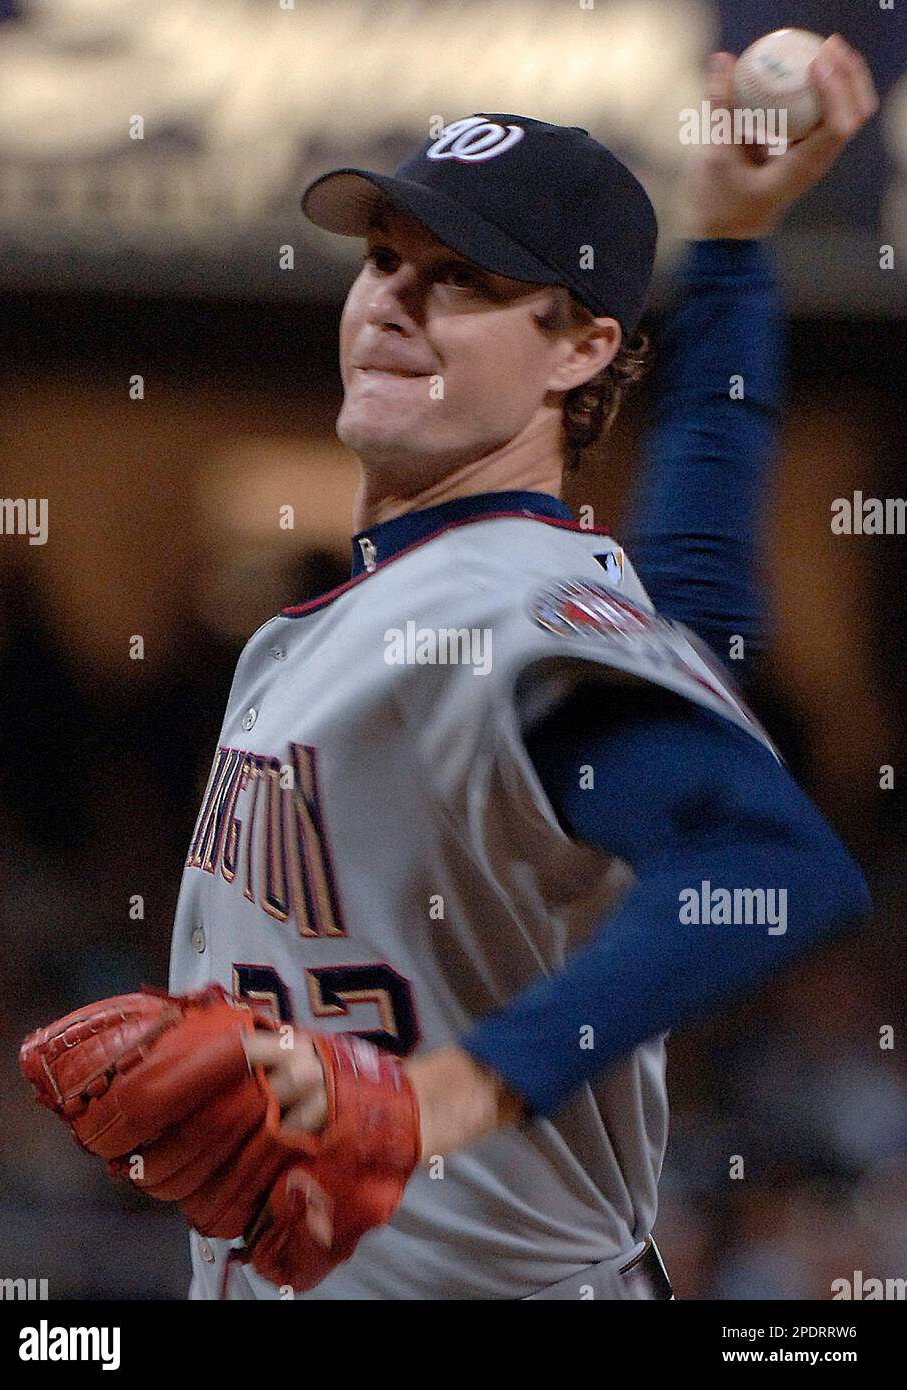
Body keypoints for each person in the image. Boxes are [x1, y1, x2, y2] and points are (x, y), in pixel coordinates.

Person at [170, 38, 878, 1298]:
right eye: (383, 258)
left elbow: (768, 867)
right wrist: (728, 242)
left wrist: (445, 1091)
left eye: (458, 279)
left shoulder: (496, 613)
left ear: (577, 351)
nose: (390, 298)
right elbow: (700, 602)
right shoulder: (494, 593)